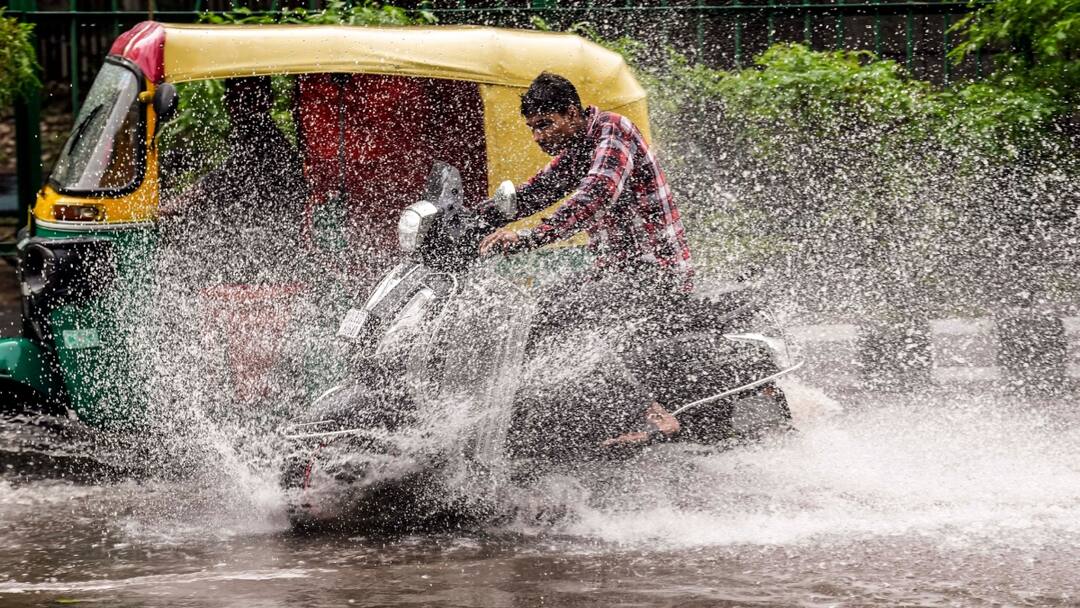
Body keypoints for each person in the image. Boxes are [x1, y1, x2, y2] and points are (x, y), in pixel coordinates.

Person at [477, 72, 693, 447]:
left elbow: (596, 194)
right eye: (532, 129)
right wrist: (474, 220)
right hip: (614, 274)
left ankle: (652, 413)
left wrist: (527, 237)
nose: (539, 137)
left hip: (655, 274)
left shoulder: (614, 132)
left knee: (566, 317)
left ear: (571, 112)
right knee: (534, 313)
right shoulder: (580, 145)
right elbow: (536, 192)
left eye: (545, 124)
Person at [160, 76, 306, 285]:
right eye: (236, 96)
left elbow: (215, 182)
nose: (239, 104)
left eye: (248, 97)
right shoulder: (251, 137)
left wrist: (164, 210)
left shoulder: (265, 140)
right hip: (253, 243)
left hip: (266, 250)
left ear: (267, 100)